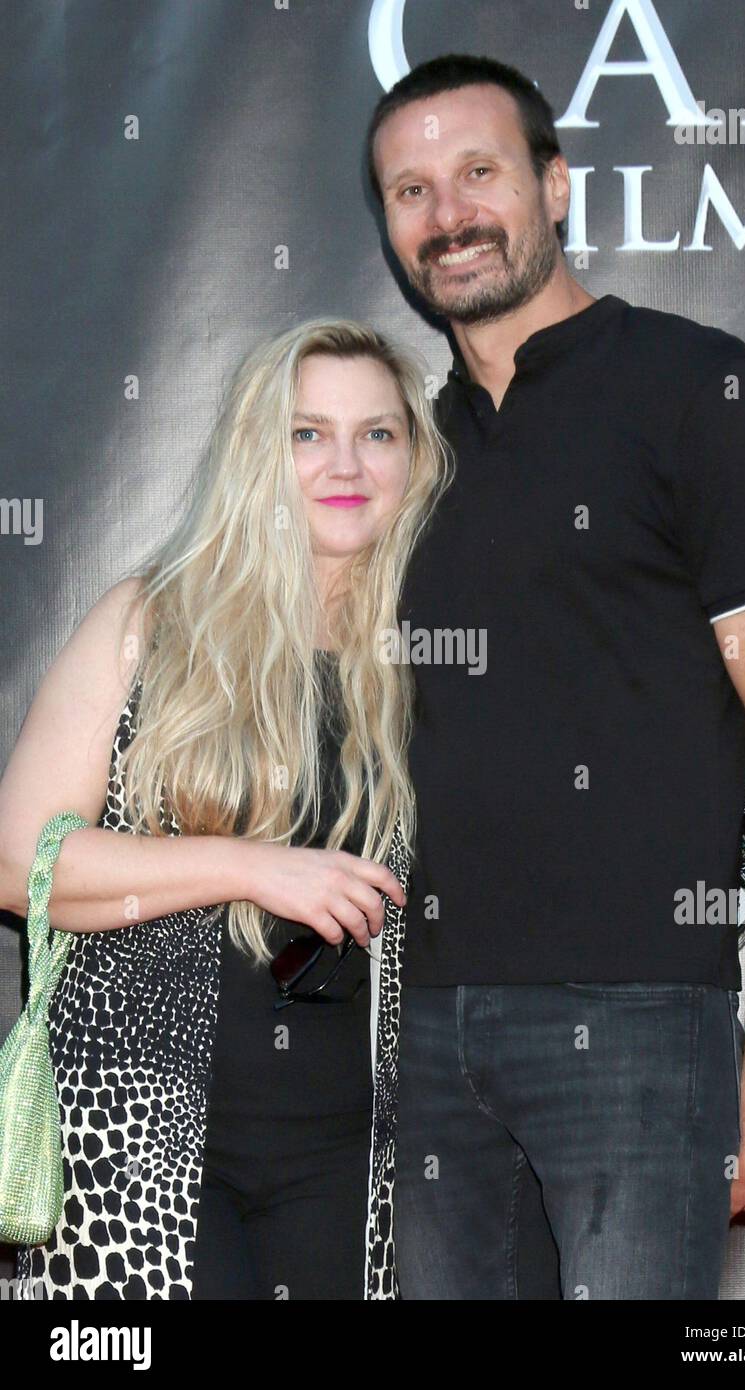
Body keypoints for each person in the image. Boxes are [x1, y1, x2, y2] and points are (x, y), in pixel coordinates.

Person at [365, 53, 745, 1299]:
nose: (448, 214)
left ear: (557, 184)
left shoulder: (698, 386)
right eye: (409, 192)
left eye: (477, 172)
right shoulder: (413, 454)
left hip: (639, 1020)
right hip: (426, 1032)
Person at [0, 318, 452, 1299]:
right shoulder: (150, 621)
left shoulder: (430, 654)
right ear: (257, 452)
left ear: (412, 457)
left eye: (377, 433)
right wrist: (253, 864)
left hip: (354, 1154)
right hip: (140, 1135)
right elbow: (18, 862)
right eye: (307, 433)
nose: (344, 462)